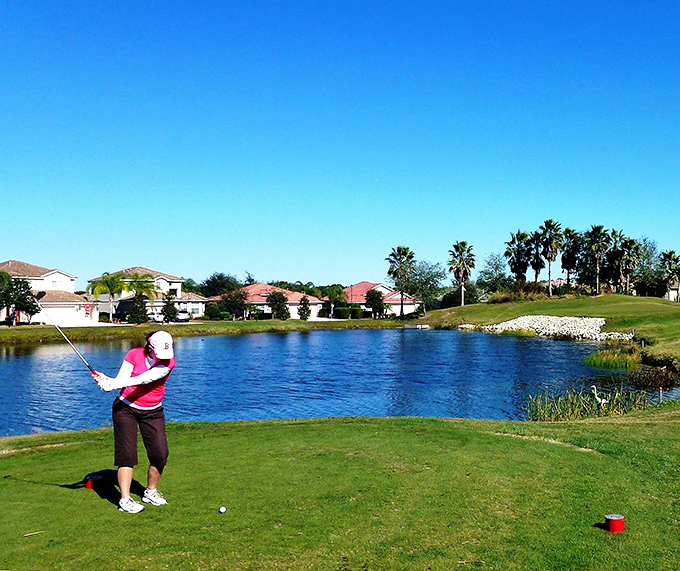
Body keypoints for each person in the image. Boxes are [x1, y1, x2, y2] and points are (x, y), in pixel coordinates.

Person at [93, 330, 176, 513]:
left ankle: (150, 492)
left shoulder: (169, 362)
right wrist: (108, 381)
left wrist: (112, 384)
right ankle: (125, 500)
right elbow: (124, 380)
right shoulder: (134, 354)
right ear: (150, 347)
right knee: (127, 454)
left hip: (153, 411)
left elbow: (146, 378)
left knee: (160, 454)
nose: (163, 356)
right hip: (126, 408)